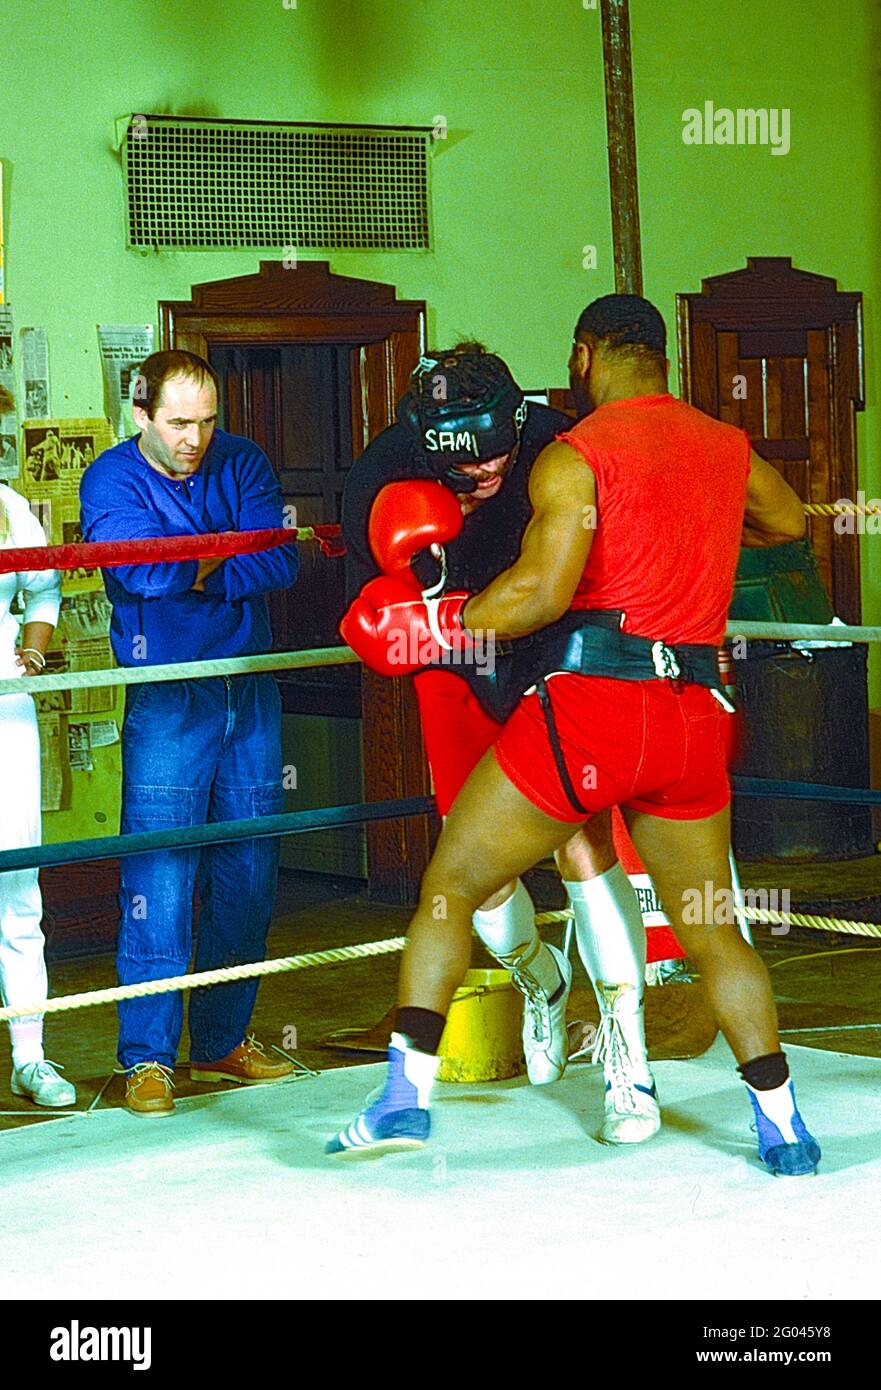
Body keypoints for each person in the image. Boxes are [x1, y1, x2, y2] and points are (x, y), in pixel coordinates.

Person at [331, 295, 820, 1178]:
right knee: (718, 931)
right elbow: (788, 522)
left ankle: (405, 1097)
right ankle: (782, 1122)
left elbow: (539, 596)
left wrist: (440, 624)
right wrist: (690, 530)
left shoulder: (575, 454)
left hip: (591, 708)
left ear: (582, 354)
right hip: (694, 713)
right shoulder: (722, 445)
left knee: (449, 883)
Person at [342, 343, 660, 1143]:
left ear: (514, 423)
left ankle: (629, 1056)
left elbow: (620, 566)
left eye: (493, 455)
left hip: (552, 658)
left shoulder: (564, 445)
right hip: (454, 668)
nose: (480, 473)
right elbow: (368, 614)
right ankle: (538, 981)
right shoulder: (381, 475)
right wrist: (395, 612)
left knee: (584, 846)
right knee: (473, 877)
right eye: (462, 462)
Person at [80, 350, 300, 1117]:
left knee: (248, 873)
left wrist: (197, 566)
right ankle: (147, 1059)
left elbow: (276, 562)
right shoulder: (110, 478)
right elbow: (140, 574)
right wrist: (217, 558)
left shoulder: (243, 459)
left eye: (206, 421)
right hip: (168, 695)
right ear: (139, 414)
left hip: (251, 686)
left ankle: (220, 1041)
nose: (195, 439)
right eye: (178, 423)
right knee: (160, 880)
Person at [0, 482, 74, 1106]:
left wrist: (30, 650)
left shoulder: (8, 505)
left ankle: (31, 1056)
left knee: (18, 885)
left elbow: (44, 589)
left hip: (5, 706)